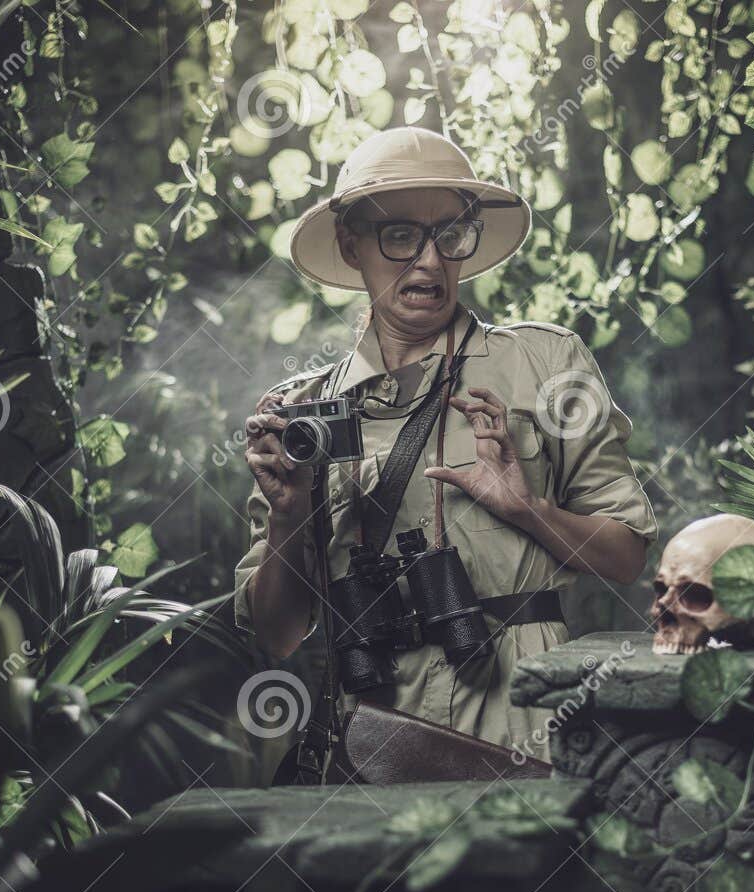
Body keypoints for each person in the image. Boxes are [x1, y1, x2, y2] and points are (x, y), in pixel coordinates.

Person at [234, 126, 656, 767]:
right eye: (400, 235)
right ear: (351, 244)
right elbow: (278, 634)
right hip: (373, 732)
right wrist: (289, 515)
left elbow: (625, 556)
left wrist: (526, 510)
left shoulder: (545, 363)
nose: (430, 262)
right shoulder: (303, 415)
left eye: (451, 235)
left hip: (520, 719)